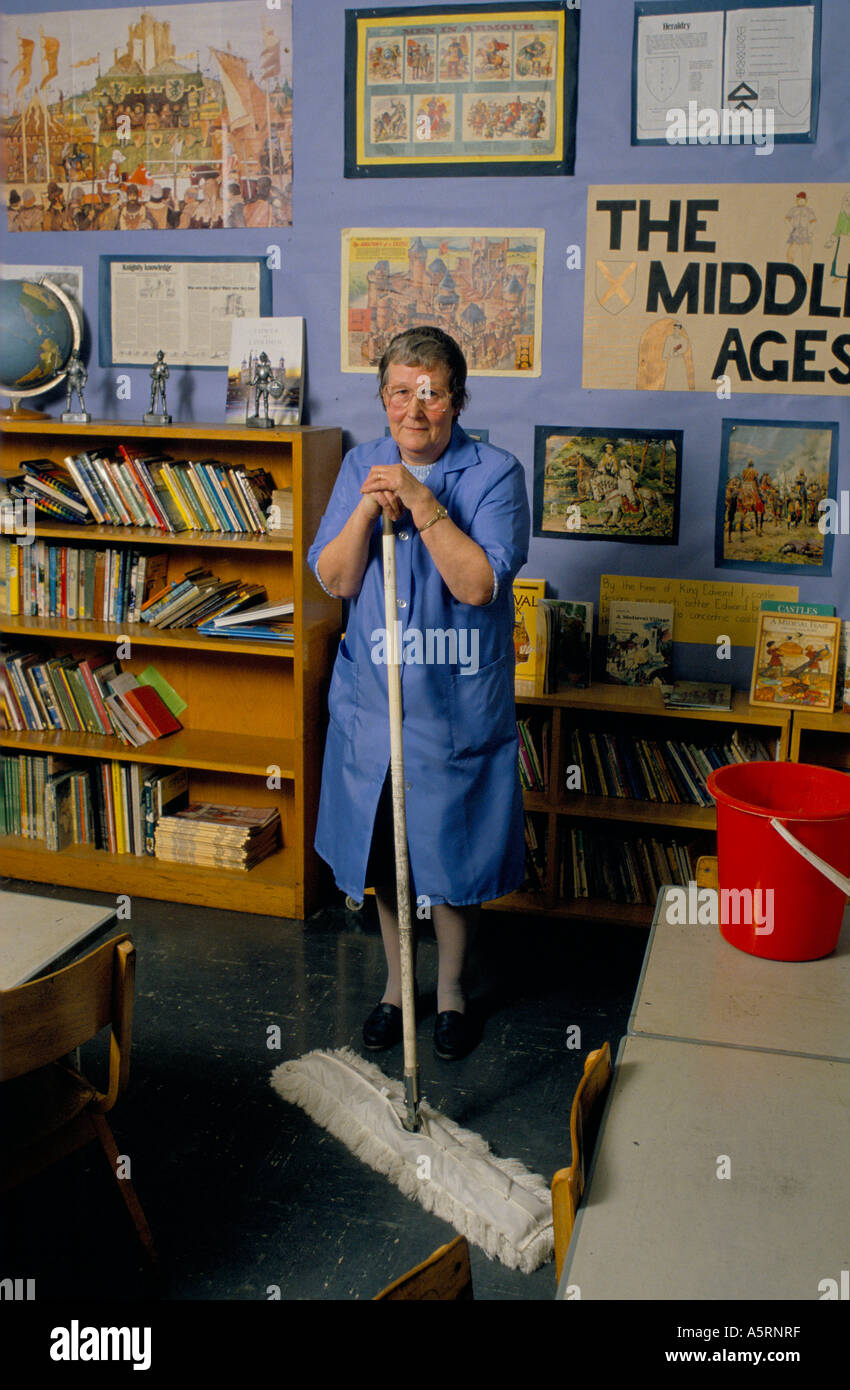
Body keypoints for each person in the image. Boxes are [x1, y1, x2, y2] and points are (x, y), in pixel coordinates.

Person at [308, 326, 530, 1061]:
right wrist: (368, 509)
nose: (415, 408)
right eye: (400, 392)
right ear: (383, 397)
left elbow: (478, 585)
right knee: (385, 860)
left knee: (453, 860)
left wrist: (420, 501)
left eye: (431, 393)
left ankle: (454, 990)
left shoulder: (495, 474)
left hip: (453, 705)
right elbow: (337, 578)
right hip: (374, 705)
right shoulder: (359, 464)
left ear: (456, 401)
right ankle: (399, 990)